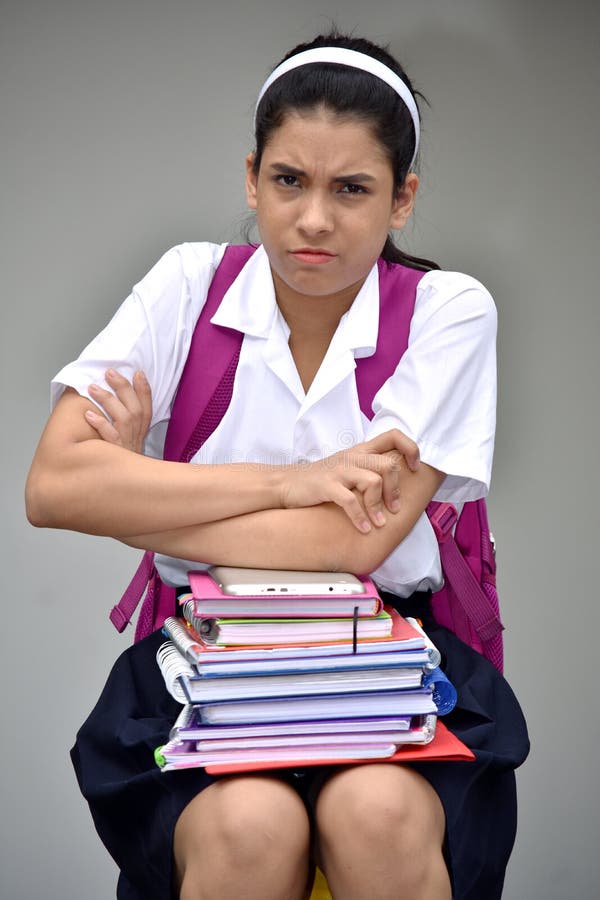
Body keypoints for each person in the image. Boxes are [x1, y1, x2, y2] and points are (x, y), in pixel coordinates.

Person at [25, 31, 529, 900]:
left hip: (385, 664)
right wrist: (291, 483)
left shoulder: (448, 312)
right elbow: (52, 487)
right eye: (290, 180)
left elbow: (353, 545)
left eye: (352, 188)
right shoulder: (188, 285)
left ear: (403, 198)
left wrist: (140, 502)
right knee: (247, 827)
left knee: (378, 813)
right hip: (205, 662)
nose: (314, 219)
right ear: (252, 178)